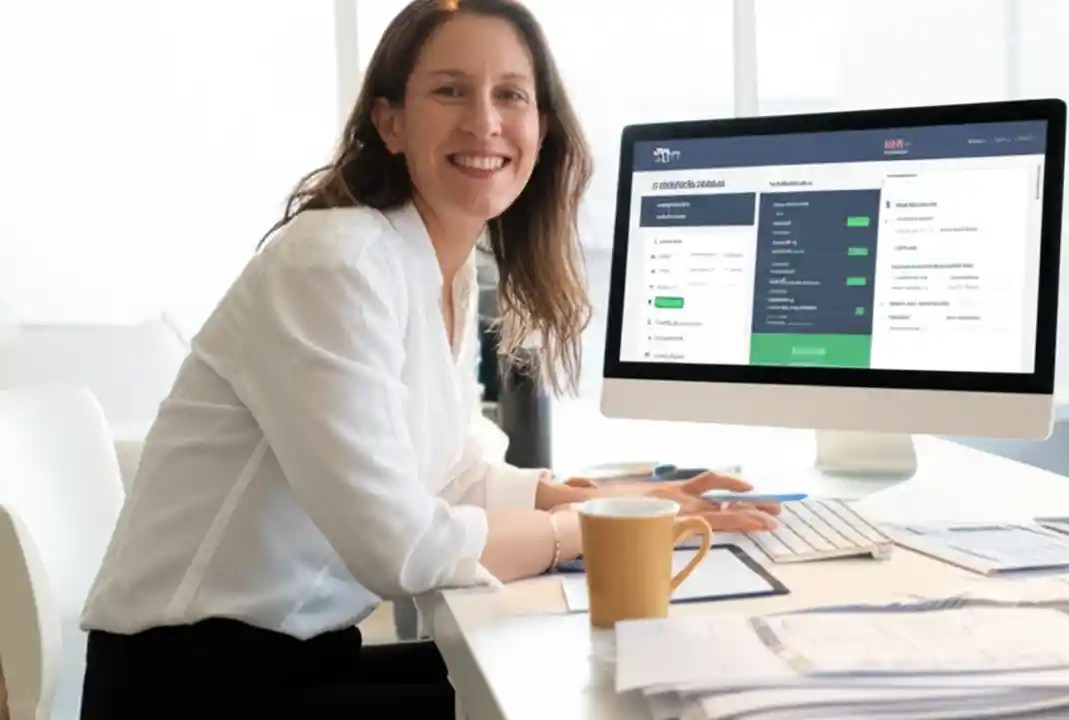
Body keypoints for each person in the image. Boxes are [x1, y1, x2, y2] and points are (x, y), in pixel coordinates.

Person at [77, 1, 778, 717]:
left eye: (511, 94)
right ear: (391, 123)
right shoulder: (335, 263)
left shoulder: (438, 267)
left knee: (593, 683)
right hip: (191, 684)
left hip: (291, 661)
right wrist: (594, 530)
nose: (485, 121)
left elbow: (452, 472)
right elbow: (404, 547)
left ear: (542, 128)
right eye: (450, 91)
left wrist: (603, 502)